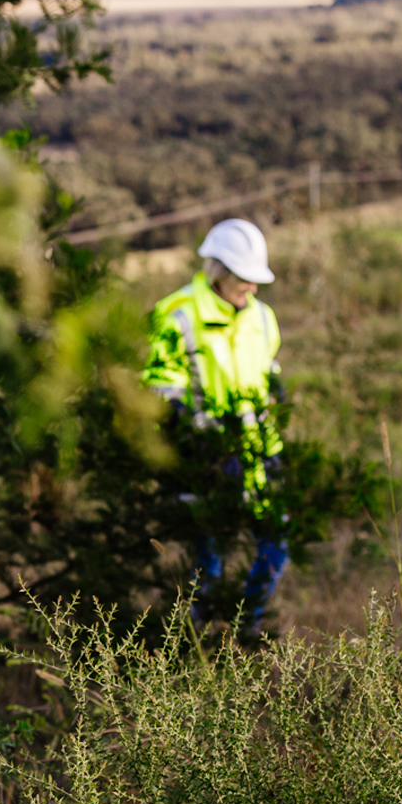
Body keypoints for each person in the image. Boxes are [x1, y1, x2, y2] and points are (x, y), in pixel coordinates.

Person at [142, 218, 286, 628]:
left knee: (277, 546)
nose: (252, 288)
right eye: (244, 278)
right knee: (208, 564)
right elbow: (160, 391)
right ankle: (198, 640)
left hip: (259, 455)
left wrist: (277, 396)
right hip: (202, 461)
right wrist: (191, 446)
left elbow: (269, 373)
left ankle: (245, 627)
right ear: (219, 271)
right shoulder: (175, 314)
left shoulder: (262, 317)